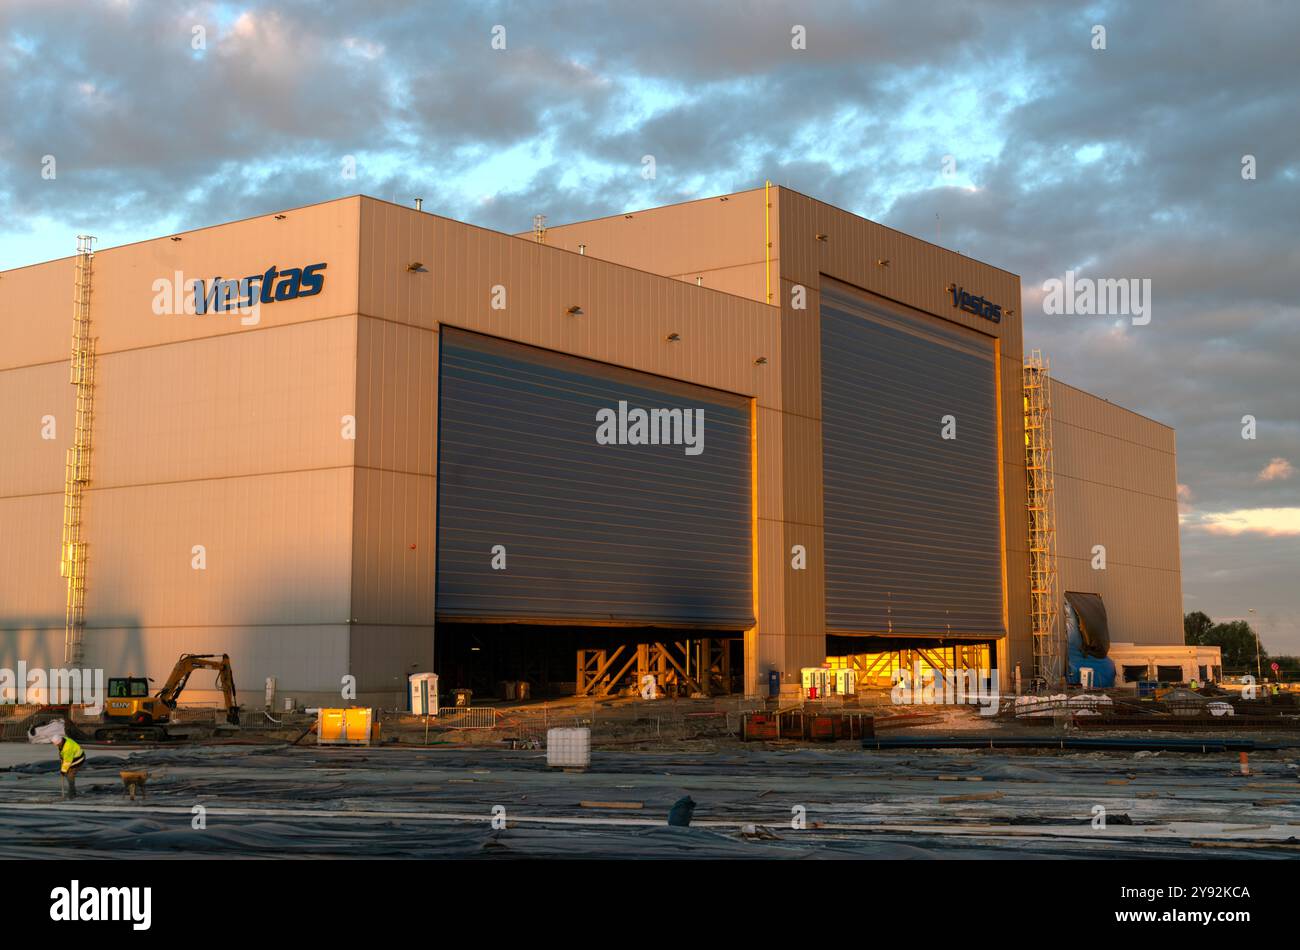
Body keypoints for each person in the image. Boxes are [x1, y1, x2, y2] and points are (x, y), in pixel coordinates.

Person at [56, 735, 86, 800]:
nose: (56, 746)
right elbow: (63, 754)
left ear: (60, 742)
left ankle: (72, 794)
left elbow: (67, 761)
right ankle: (72, 792)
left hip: (78, 759)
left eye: (57, 744)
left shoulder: (67, 747)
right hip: (73, 757)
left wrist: (63, 770)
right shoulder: (63, 740)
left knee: (70, 775)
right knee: (67, 773)